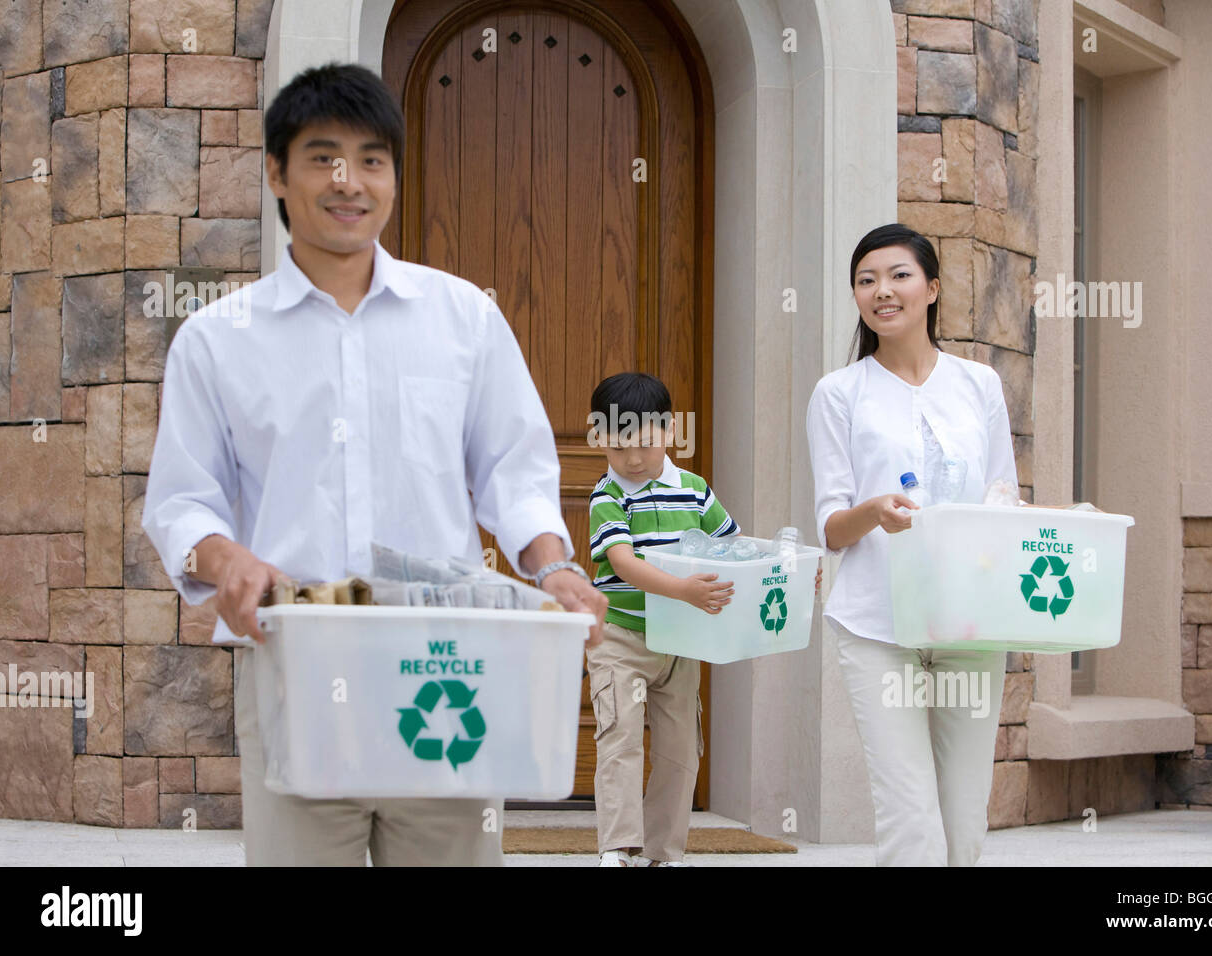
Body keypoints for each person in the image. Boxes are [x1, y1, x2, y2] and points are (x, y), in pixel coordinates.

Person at [141, 62, 607, 867]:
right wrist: (228, 559)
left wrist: (551, 565)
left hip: (445, 663)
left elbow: (513, 466)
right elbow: (184, 501)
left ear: (393, 175)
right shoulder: (218, 339)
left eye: (370, 159)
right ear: (277, 173)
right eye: (321, 157)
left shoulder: (463, 316)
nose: (347, 181)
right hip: (296, 662)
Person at [805, 223, 1017, 866]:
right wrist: (872, 511)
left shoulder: (979, 385)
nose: (882, 291)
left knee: (964, 815)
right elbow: (832, 529)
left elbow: (1001, 490)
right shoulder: (838, 394)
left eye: (898, 275)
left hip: (972, 621)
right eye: (866, 280)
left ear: (931, 287)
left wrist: (1019, 515)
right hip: (877, 624)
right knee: (909, 812)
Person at [584, 372, 821, 866]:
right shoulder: (607, 495)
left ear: (669, 431)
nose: (631, 459)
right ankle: (615, 848)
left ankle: (663, 853)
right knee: (620, 739)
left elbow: (737, 547)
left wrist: (790, 571)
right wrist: (684, 590)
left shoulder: (694, 490)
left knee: (679, 751)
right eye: (617, 446)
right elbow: (624, 563)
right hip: (621, 639)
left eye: (644, 445)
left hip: (681, 642)